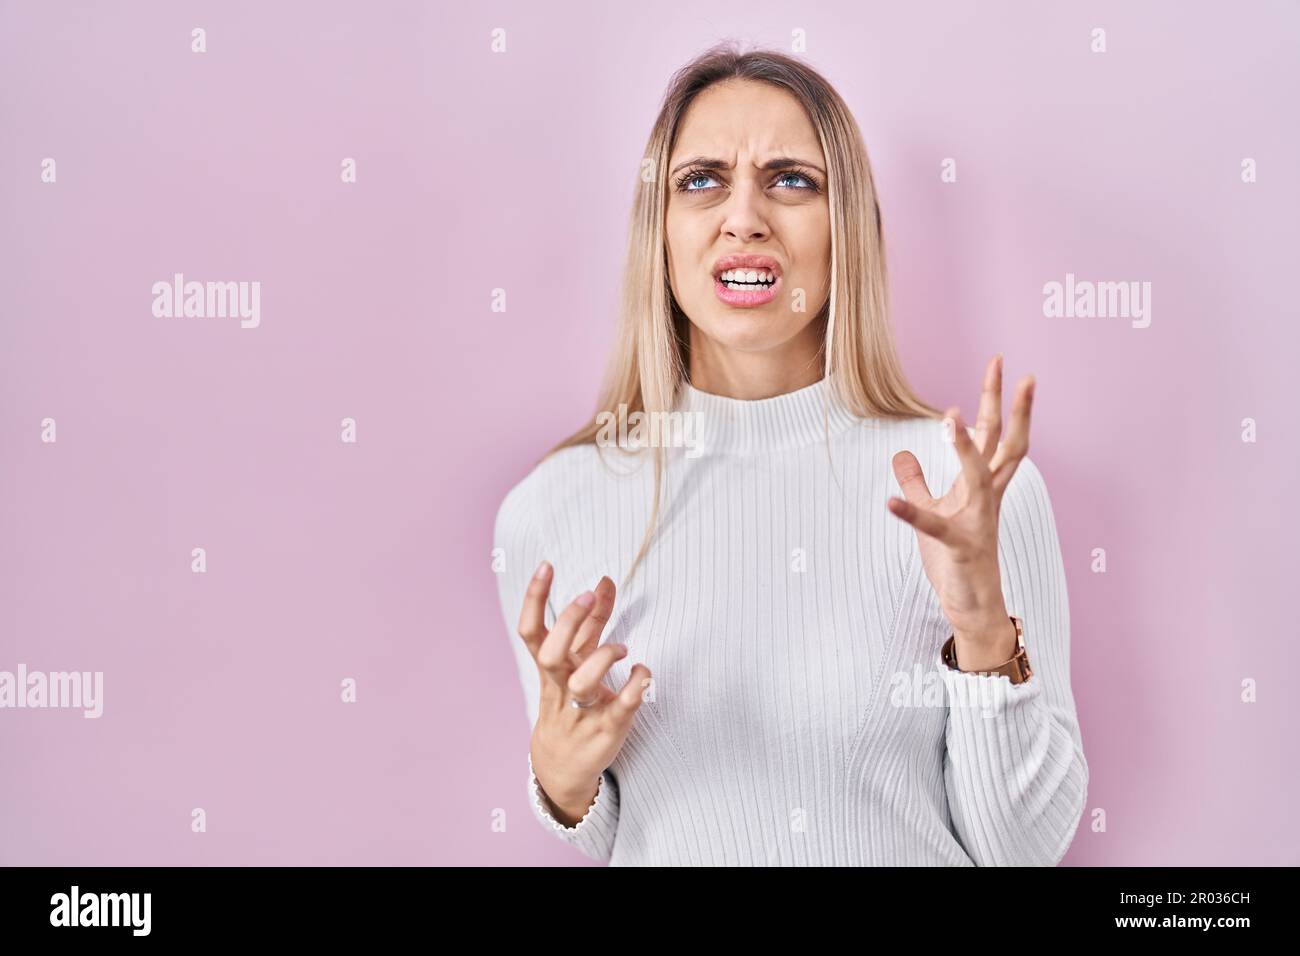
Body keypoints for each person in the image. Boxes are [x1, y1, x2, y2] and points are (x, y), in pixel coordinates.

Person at [493, 42, 1088, 866]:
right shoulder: (551, 508)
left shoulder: (972, 493)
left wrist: (983, 628)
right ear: (656, 231)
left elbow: (1022, 849)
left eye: (792, 180)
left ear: (846, 230)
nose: (745, 218)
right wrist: (559, 779)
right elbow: (614, 832)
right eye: (701, 180)